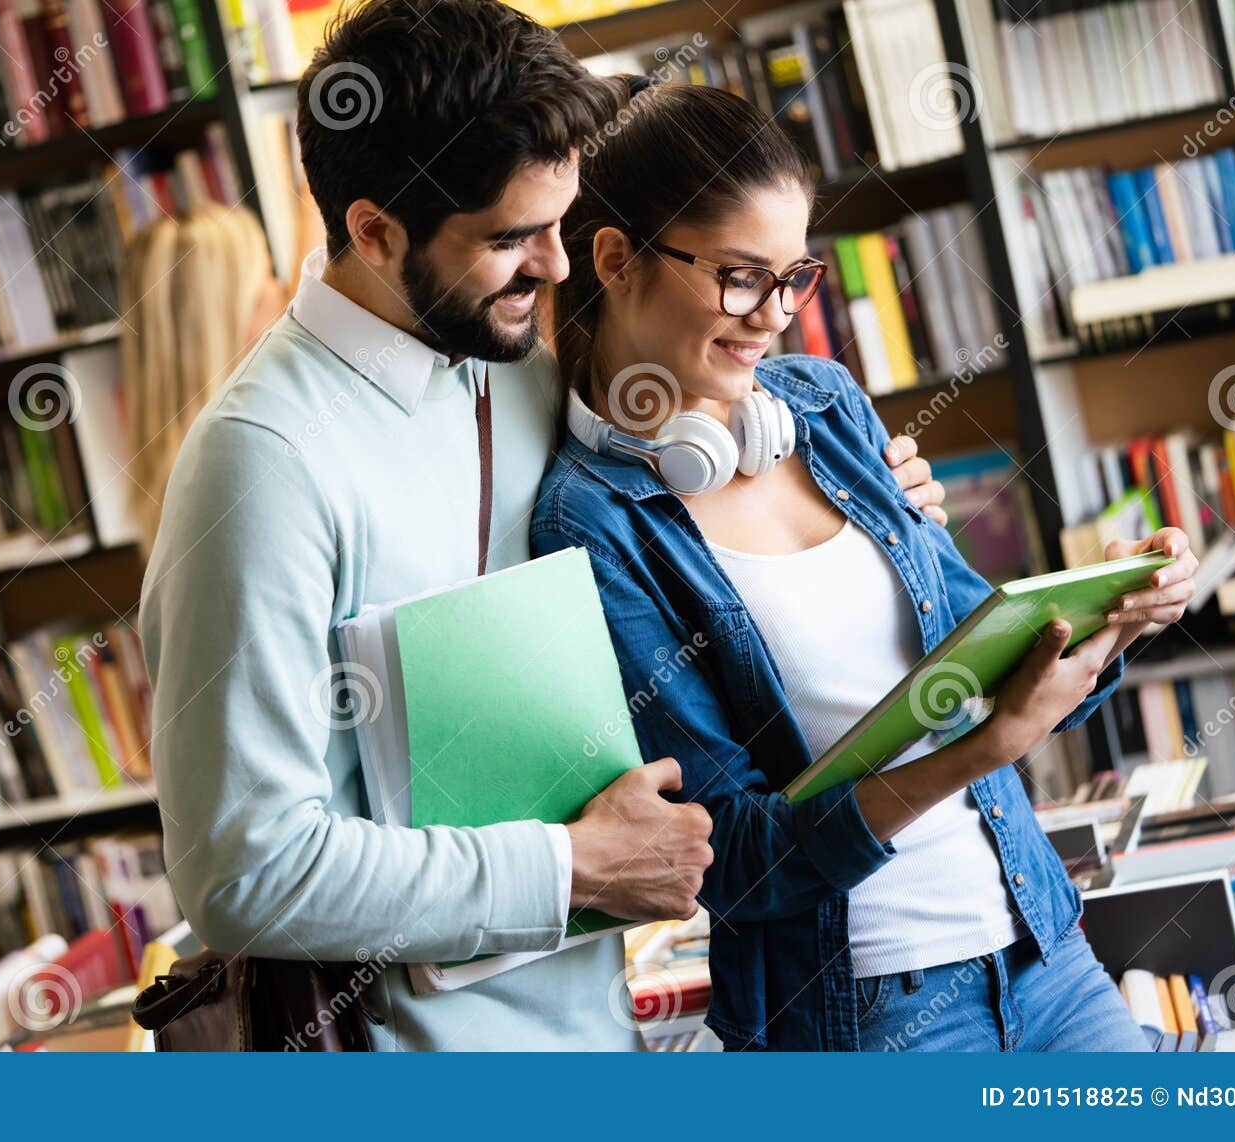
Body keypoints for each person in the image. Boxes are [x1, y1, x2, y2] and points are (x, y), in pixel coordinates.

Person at [139, 0, 946, 1051]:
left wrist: (871, 508)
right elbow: (245, 872)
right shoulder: (262, 463)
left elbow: (685, 523)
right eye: (510, 238)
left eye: (559, 224)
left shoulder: (515, 362)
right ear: (374, 232)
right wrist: (572, 867)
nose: (558, 267)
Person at [532, 80, 1200, 1052]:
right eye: (739, 276)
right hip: (868, 1017)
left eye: (793, 277)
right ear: (614, 259)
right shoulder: (591, 521)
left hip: (1042, 948)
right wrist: (977, 752)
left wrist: (1111, 612)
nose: (771, 316)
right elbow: (737, 862)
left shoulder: (823, 404)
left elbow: (981, 646)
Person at [119, 204, 286, 556]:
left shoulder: (185, 482)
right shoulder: (244, 469)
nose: (282, 293)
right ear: (223, 319)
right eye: (268, 275)